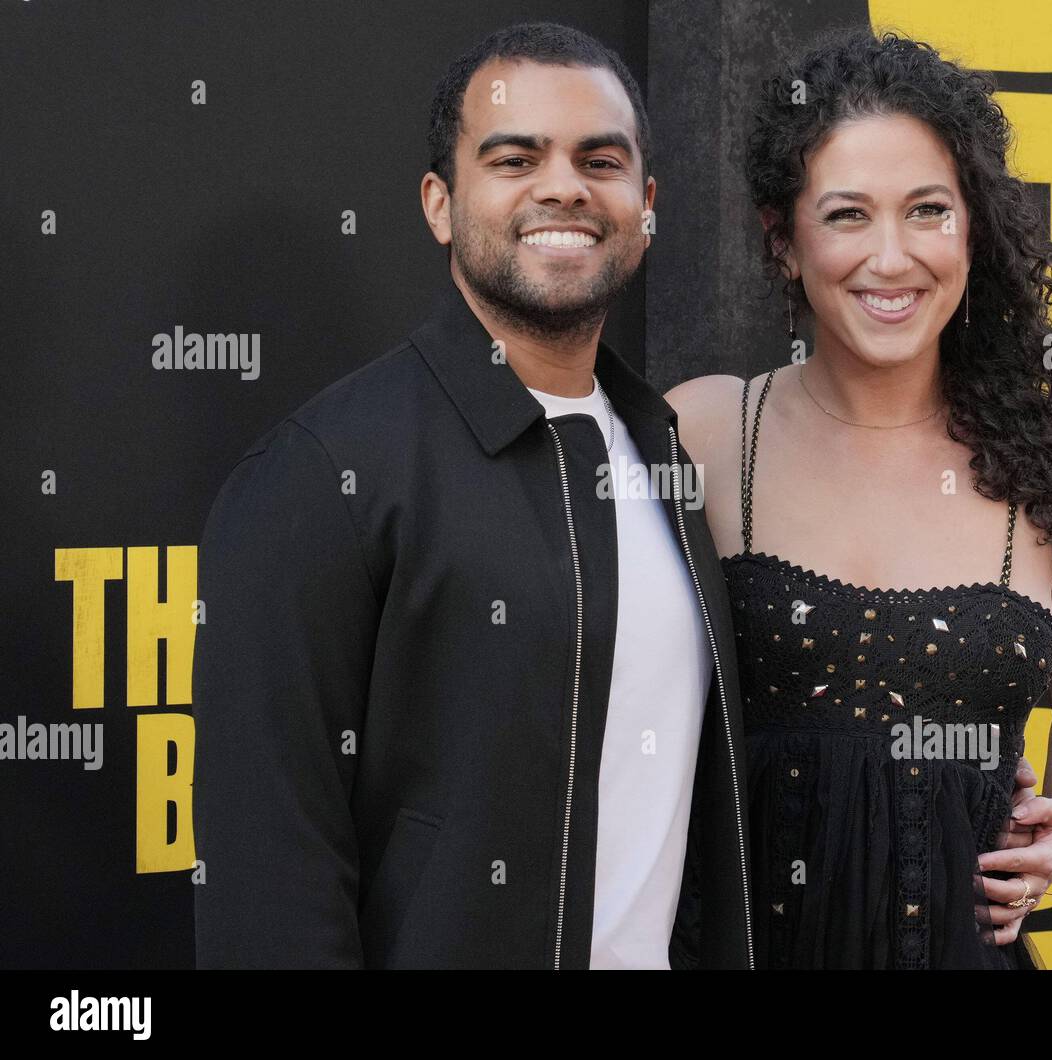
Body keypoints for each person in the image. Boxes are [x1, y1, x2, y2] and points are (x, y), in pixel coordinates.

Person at [191, 21, 753, 970]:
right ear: (441, 204)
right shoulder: (322, 474)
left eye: (600, 159)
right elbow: (269, 890)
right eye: (514, 157)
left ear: (647, 205)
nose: (564, 186)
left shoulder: (664, 451)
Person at [666, 26, 1052, 969]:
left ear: (972, 230)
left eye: (928, 210)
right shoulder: (706, 435)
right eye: (847, 215)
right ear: (784, 240)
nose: (892, 258)